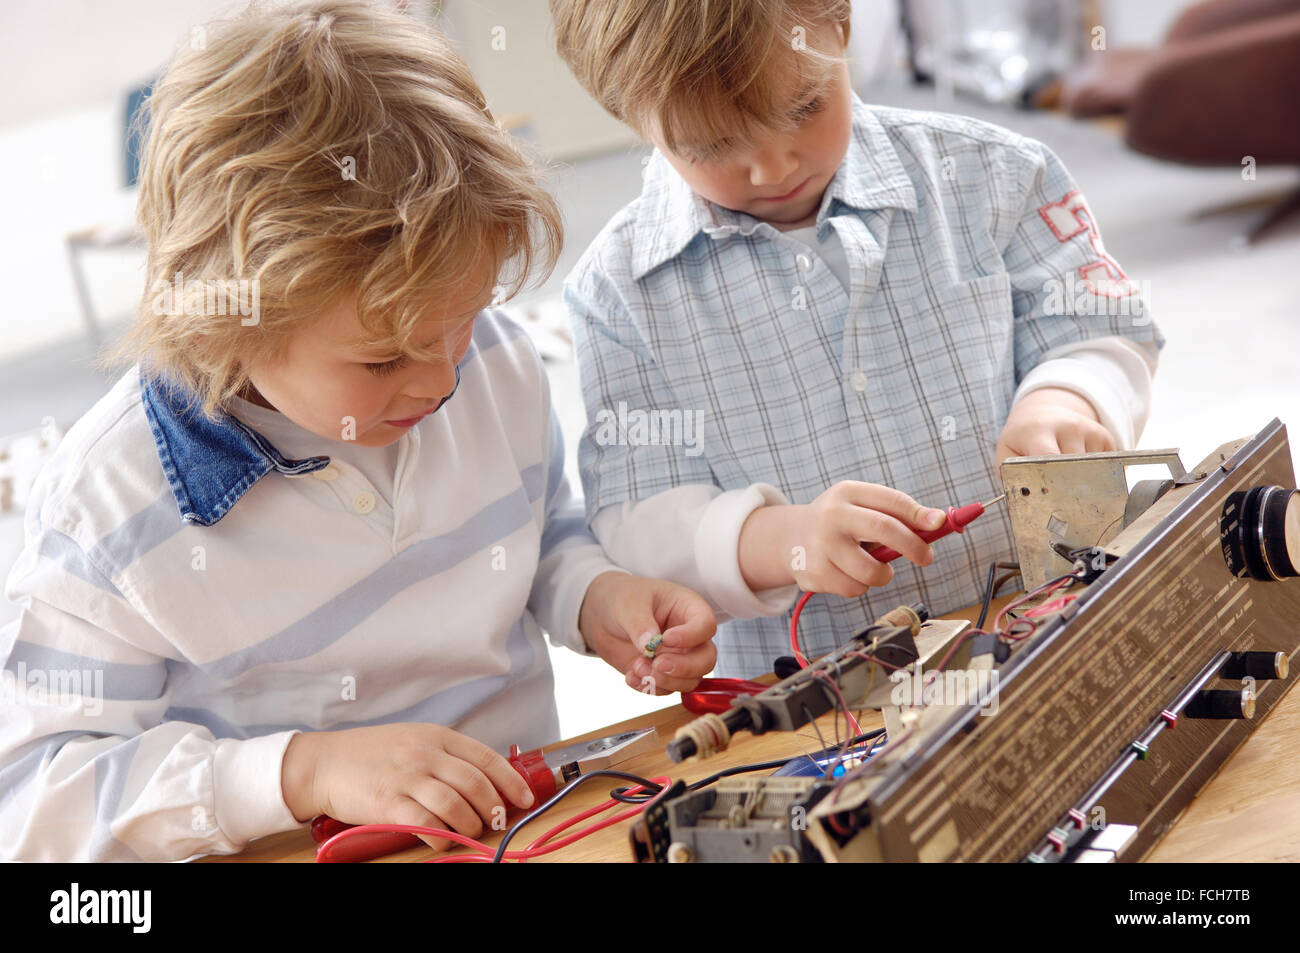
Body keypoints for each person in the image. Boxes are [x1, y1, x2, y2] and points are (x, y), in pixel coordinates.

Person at [0, 0, 718, 861]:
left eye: (461, 321)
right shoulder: (107, 509)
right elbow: (34, 799)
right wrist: (302, 772)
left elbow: (539, 536)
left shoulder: (490, 363)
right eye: (382, 360)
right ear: (219, 323)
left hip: (530, 833)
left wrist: (593, 596)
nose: (443, 378)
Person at [550, 0, 1164, 676]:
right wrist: (780, 538)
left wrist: (1067, 400)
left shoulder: (996, 173)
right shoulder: (618, 292)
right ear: (628, 116)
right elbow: (638, 516)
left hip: (1054, 626)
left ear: (841, 28)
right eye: (715, 146)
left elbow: (1099, 325)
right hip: (825, 699)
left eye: (805, 108)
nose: (774, 166)